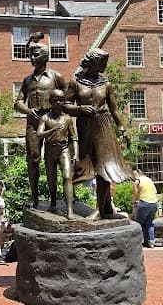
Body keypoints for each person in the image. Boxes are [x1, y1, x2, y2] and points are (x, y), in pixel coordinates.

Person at [65, 48, 132, 218]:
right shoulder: (76, 82)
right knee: (86, 166)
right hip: (86, 126)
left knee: (104, 167)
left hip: (104, 126)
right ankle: (104, 207)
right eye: (103, 62)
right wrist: (79, 108)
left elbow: (114, 109)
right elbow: (65, 105)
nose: (105, 66)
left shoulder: (106, 84)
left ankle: (100, 210)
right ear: (94, 63)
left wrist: (123, 129)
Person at [14, 33, 68, 209]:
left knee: (53, 160)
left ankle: (54, 201)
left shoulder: (56, 77)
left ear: (45, 57)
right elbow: (17, 102)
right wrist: (28, 111)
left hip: (53, 121)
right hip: (33, 122)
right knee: (33, 159)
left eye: (35, 55)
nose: (32, 58)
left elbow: (68, 99)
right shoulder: (27, 80)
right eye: (31, 55)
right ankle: (35, 198)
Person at [37, 89, 79, 218]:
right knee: (52, 180)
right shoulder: (45, 118)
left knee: (67, 177)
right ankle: (53, 203)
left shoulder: (67, 118)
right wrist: (53, 130)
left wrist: (76, 154)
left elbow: (74, 137)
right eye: (55, 100)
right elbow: (39, 134)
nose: (58, 102)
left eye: (60, 100)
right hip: (50, 150)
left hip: (63, 149)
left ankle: (70, 209)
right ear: (51, 101)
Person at [132, 169, 159, 248]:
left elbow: (135, 194)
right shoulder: (149, 180)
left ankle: (141, 241)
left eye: (134, 174)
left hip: (144, 203)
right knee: (149, 223)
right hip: (154, 203)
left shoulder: (137, 182)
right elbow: (155, 191)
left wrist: (134, 203)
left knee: (139, 222)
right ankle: (151, 242)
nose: (134, 176)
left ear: (138, 174)